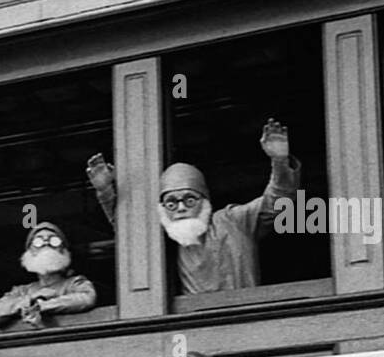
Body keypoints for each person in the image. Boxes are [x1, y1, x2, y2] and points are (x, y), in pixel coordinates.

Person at [86, 118, 301, 293]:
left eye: (189, 200)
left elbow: (277, 203)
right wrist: (105, 191)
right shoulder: (166, 240)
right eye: (171, 203)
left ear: (205, 201)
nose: (180, 208)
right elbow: (130, 237)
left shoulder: (232, 220)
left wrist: (279, 161)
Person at [0, 221, 97, 329]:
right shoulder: (21, 291)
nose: (46, 243)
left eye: (54, 240)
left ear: (63, 250)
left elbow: (87, 298)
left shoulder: (74, 283)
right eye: (38, 241)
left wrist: (42, 306)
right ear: (30, 252)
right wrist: (28, 301)